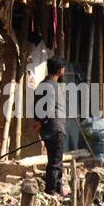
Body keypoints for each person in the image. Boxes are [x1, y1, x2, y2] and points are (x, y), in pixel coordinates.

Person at [33, 57, 68, 194]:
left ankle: (57, 187)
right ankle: (51, 190)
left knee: (55, 159)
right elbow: (48, 108)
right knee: (55, 160)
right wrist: (40, 122)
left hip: (49, 128)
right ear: (60, 70)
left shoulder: (43, 84)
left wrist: (39, 122)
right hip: (55, 128)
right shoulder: (53, 86)